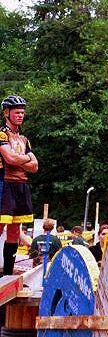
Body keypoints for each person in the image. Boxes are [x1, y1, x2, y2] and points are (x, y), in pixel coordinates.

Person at [0, 95, 38, 276]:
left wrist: (19, 161)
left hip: (21, 185)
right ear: (7, 113)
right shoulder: (2, 133)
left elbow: (35, 166)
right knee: (0, 226)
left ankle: (7, 273)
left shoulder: (24, 139)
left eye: (22, 112)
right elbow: (9, 158)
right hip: (4, 183)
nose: (20, 115)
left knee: (15, 231)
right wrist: (26, 159)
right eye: (17, 112)